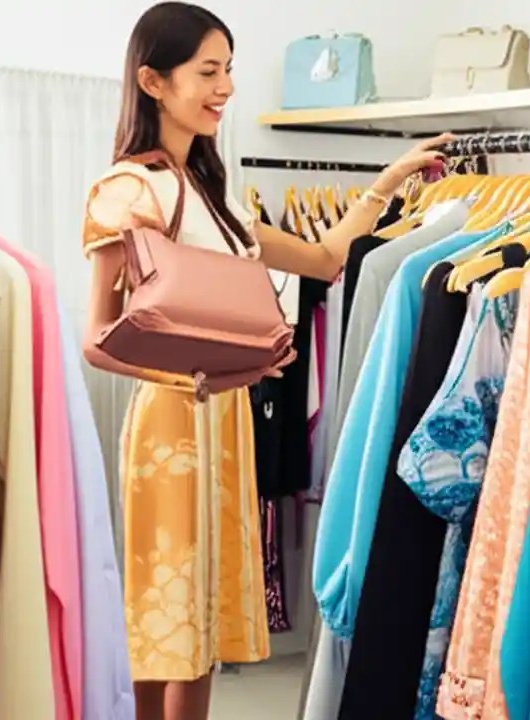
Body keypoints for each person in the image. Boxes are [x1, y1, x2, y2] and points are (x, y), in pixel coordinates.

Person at [79, 3, 451, 718]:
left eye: (228, 72)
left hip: (225, 426)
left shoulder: (213, 201)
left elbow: (322, 258)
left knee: (203, 625)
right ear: (153, 82)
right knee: (172, 625)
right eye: (208, 72)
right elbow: (97, 335)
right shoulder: (130, 191)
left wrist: (389, 181)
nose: (225, 88)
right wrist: (197, 373)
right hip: (171, 430)